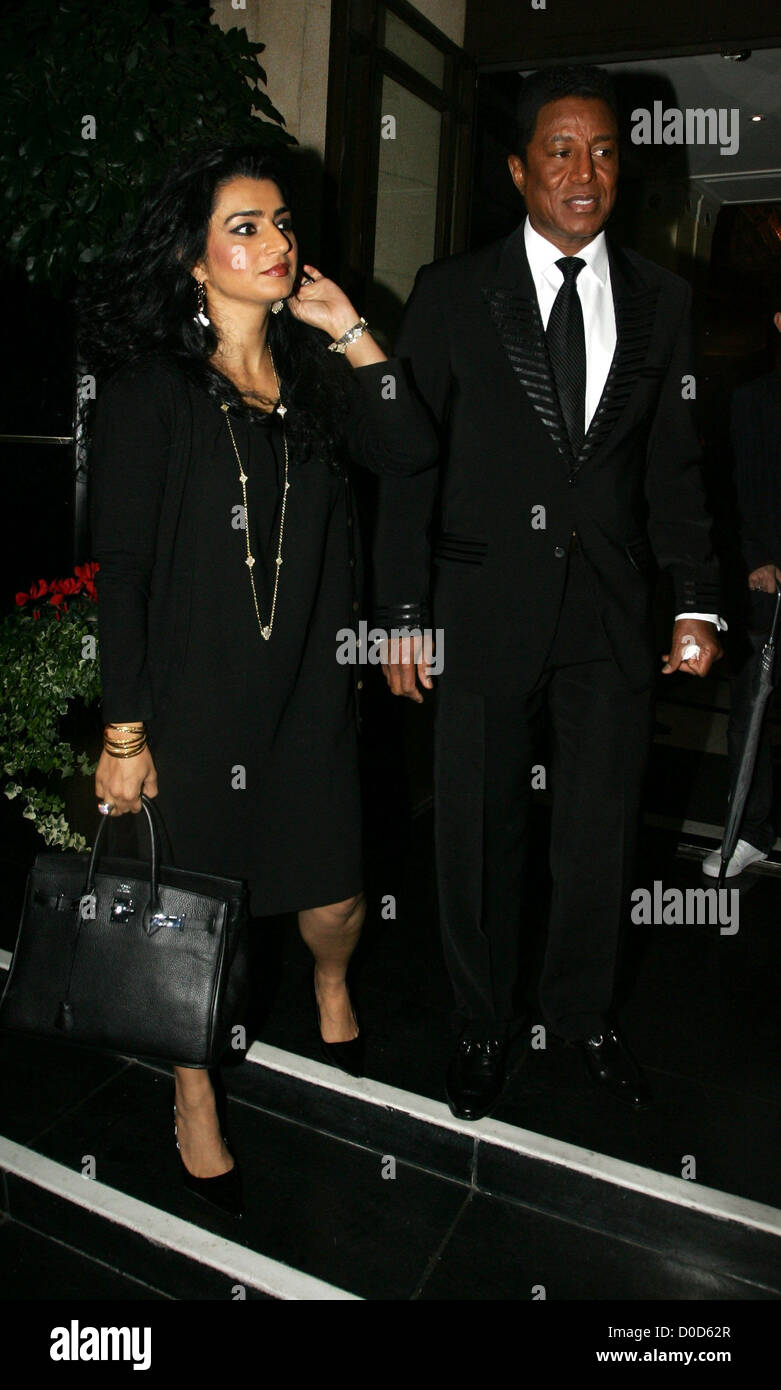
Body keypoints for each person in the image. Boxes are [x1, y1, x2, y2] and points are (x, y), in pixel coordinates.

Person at [83, 145, 437, 1214]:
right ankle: (194, 1089)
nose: (276, 242)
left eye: (282, 223)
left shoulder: (319, 379)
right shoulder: (152, 392)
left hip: (307, 694)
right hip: (192, 700)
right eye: (246, 227)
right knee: (195, 913)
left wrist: (349, 327)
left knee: (331, 894)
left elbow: (412, 448)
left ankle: (330, 980)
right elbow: (127, 574)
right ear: (195, 258)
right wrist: (126, 734)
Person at [375, 65, 723, 1121]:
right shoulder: (452, 290)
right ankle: (482, 1025)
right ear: (519, 169)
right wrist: (399, 611)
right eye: (562, 151)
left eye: (606, 151)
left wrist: (695, 601)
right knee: (478, 833)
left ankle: (578, 1015)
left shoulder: (664, 302)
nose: (586, 171)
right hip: (480, 607)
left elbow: (673, 464)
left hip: (611, 614)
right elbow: (408, 463)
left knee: (599, 831)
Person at [703, 304, 781, 878]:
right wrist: (757, 560)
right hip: (770, 580)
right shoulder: (754, 398)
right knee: (755, 705)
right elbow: (734, 491)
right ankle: (748, 832)